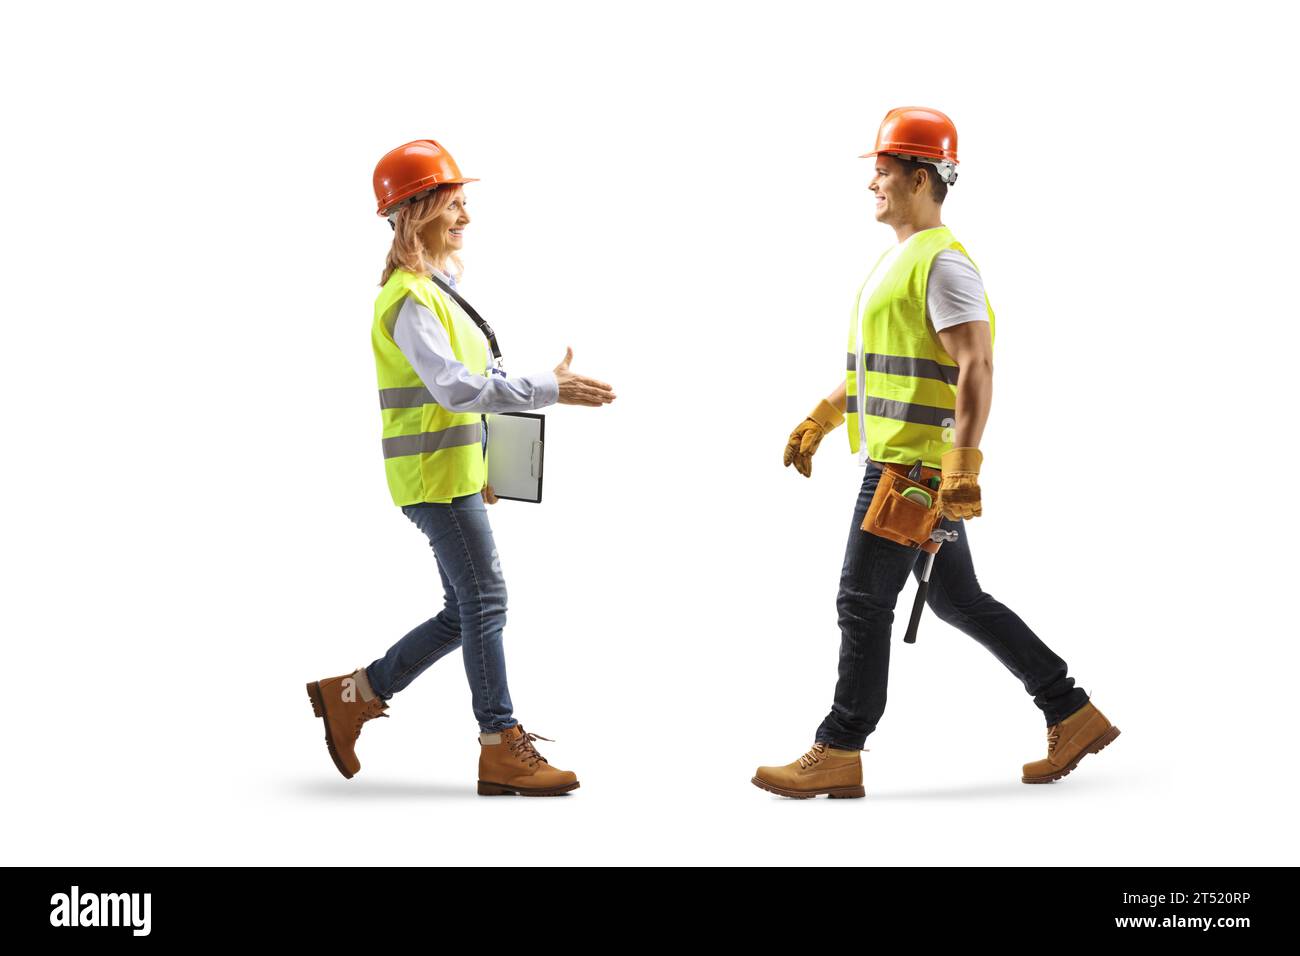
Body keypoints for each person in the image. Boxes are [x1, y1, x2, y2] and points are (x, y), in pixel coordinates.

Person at [752, 107, 1119, 798]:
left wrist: (962, 469)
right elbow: (884, 368)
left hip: (915, 473)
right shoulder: (905, 260)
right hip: (906, 463)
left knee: (862, 602)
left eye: (883, 172)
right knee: (960, 600)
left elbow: (976, 364)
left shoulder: (944, 264)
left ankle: (839, 746)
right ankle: (1071, 711)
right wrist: (821, 417)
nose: (873, 185)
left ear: (920, 177)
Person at [306, 139, 616, 796]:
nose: (466, 217)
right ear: (417, 209)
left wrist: (490, 456)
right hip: (431, 481)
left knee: (465, 607)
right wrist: (547, 389)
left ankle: (353, 695)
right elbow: (452, 388)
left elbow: (470, 384)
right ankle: (499, 743)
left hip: (450, 475)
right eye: (455, 204)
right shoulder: (411, 298)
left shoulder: (439, 291)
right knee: (486, 601)